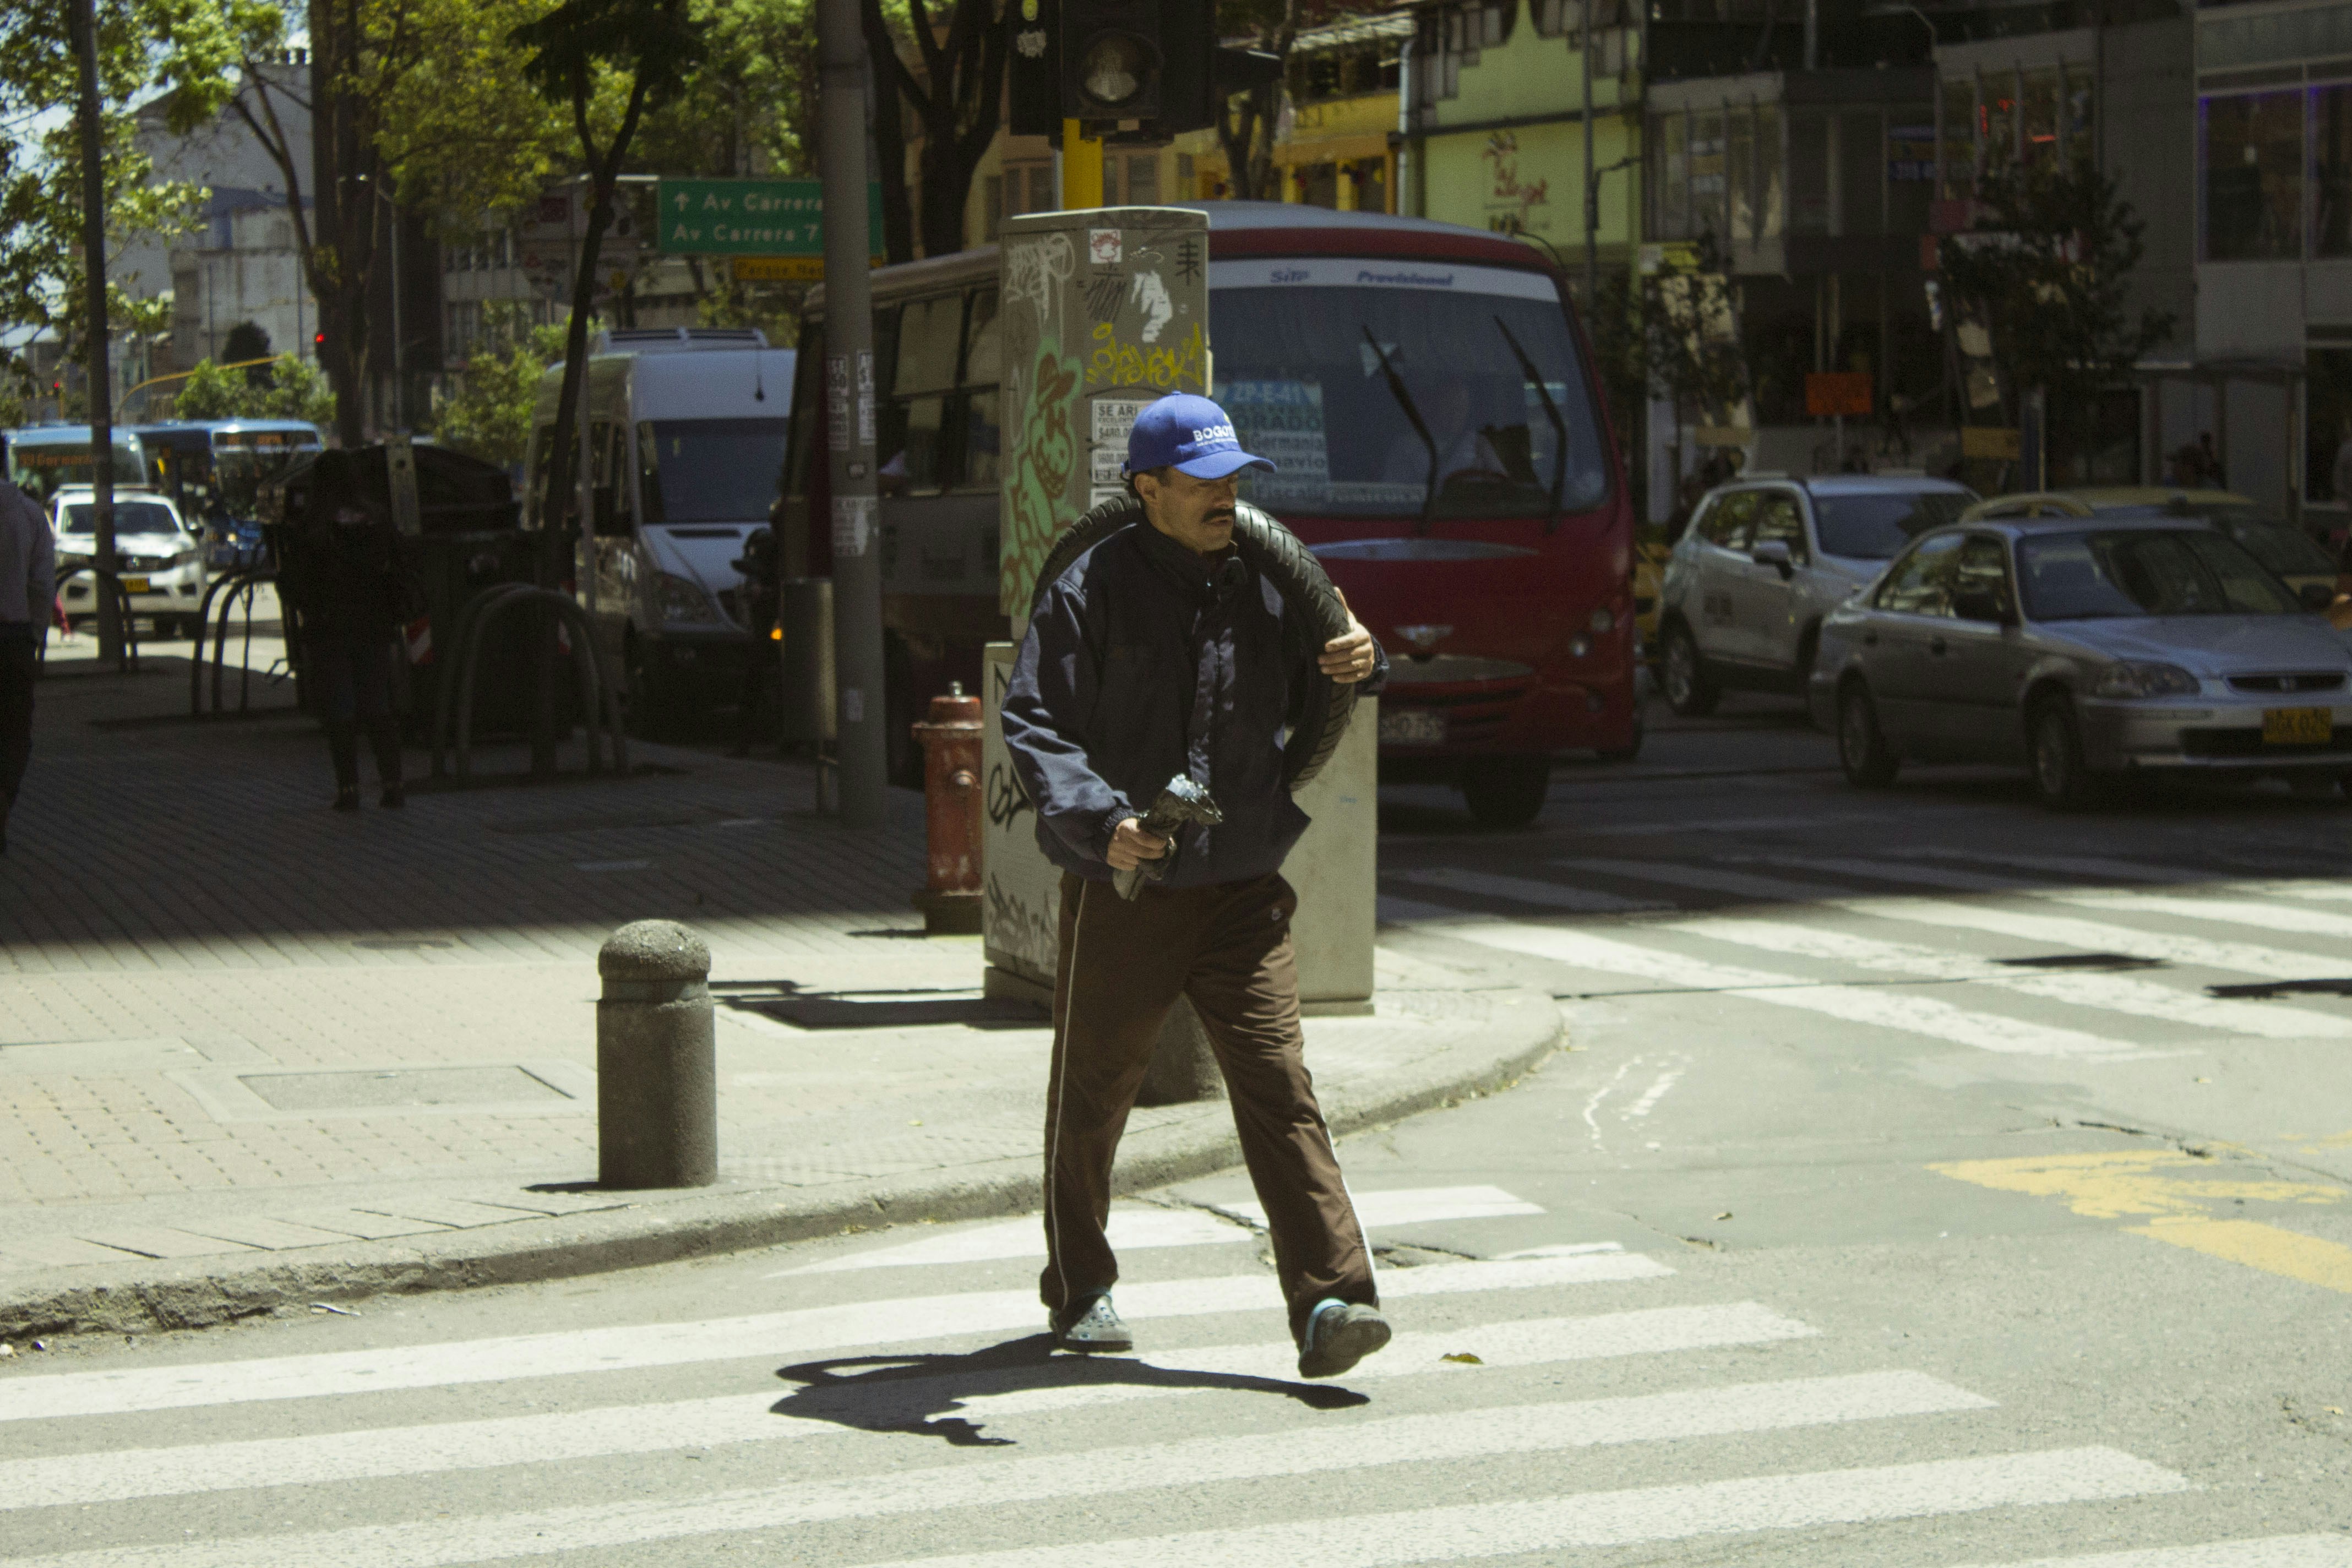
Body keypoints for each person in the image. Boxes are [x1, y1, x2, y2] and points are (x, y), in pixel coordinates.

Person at [1001, 392, 1392, 1380]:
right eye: (1204, 480)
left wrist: (1363, 655)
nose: (1227, 496)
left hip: (1242, 882)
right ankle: (1080, 1286)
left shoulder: (1268, 580)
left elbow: (1332, 669)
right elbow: (1037, 723)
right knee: (1095, 1093)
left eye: (1234, 478)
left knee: (1280, 1088)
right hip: (1127, 887)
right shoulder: (1090, 587)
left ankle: (1333, 1299)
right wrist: (1105, 824)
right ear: (1148, 489)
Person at [282, 451, 416, 811]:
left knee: (340, 708)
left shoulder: (313, 527)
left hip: (329, 626)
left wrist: (311, 607)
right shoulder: (377, 520)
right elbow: (400, 565)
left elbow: (294, 581)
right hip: (373, 623)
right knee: (378, 704)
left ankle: (348, 789)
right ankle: (393, 784)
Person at [0, 438, 53, 856]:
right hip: (14, 640)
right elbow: (41, 587)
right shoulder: (30, 515)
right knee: (15, 733)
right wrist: (35, 635)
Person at [729, 524, 780, 757]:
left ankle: (746, 741)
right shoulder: (758, 585)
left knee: (756, 679)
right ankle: (743, 741)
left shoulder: (773, 585)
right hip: (762, 632)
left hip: (769, 631)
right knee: (752, 680)